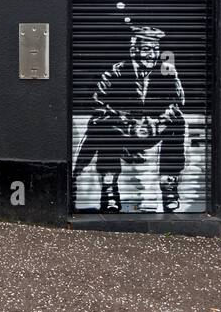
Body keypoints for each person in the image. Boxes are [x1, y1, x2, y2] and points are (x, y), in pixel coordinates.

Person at [73, 25, 187, 212]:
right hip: (122, 132)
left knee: (178, 121)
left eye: (156, 50)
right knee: (99, 123)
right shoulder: (115, 72)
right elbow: (97, 104)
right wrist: (123, 120)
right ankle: (108, 188)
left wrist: (159, 119)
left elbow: (178, 102)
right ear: (134, 50)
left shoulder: (167, 71)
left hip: (152, 130)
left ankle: (169, 186)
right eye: (147, 49)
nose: (152, 55)